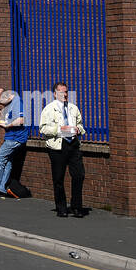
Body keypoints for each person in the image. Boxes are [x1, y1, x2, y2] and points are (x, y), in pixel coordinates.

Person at [38, 82, 87, 217]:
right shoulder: (49, 109)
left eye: (66, 92)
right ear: (55, 94)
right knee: (59, 178)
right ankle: (61, 208)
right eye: (61, 92)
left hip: (73, 144)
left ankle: (76, 207)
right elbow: (42, 128)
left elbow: (81, 125)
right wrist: (59, 129)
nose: (64, 95)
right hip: (58, 146)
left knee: (79, 175)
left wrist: (78, 129)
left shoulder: (73, 108)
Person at [0, 89, 28, 198]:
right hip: (11, 137)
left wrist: (8, 126)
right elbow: (11, 117)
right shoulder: (11, 103)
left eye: (0, 101)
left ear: (8, 96)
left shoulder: (17, 102)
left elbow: (21, 120)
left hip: (15, 138)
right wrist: (1, 114)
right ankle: (2, 188)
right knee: (7, 162)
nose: (0, 103)